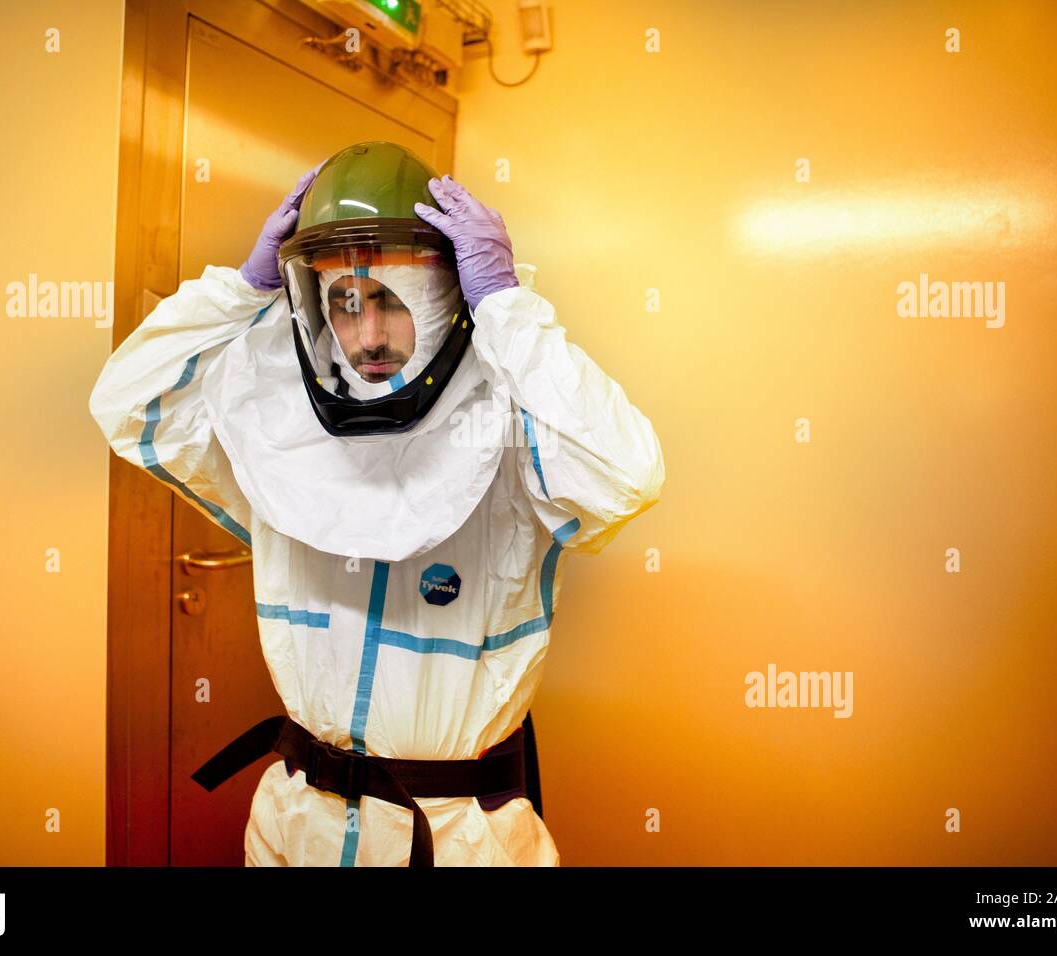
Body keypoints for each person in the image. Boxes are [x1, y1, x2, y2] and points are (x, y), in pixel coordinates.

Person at [88, 141, 665, 866]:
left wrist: (509, 310)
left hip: (457, 839)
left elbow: (625, 476)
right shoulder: (280, 435)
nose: (366, 335)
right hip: (298, 824)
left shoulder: (509, 429)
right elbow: (128, 402)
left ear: (445, 294)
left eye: (390, 300)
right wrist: (238, 291)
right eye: (344, 303)